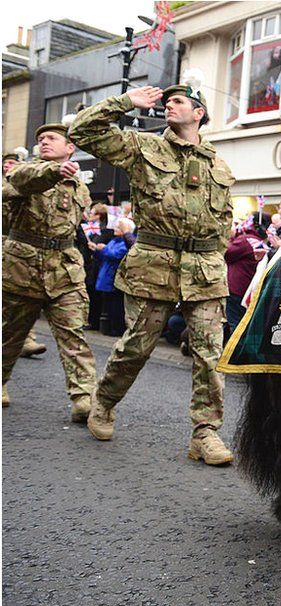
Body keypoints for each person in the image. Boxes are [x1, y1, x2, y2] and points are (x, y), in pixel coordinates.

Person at [69, 82, 236, 465]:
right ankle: (104, 402)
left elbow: (224, 222)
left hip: (205, 269)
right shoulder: (144, 146)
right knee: (137, 347)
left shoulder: (218, 163)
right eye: (167, 100)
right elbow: (82, 132)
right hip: (155, 261)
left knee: (210, 353)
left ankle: (205, 433)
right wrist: (126, 102)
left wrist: (215, 258)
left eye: (179, 101)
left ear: (199, 113)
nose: (169, 105)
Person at [1, 121, 98, 418]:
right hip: (23, 267)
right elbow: (23, 180)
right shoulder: (23, 171)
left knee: (74, 335)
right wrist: (54, 171)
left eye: (52, 138)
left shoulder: (79, 186)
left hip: (64, 271)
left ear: (70, 148)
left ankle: (85, 397)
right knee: (10, 334)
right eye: (41, 138)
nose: (44, 141)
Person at [2, 151, 49, 359]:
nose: (7, 166)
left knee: (20, 296)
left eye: (12, 163)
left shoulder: (25, 185)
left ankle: (27, 339)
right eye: (6, 163)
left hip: (15, 245)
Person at [225, 211, 269, 334]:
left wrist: (231, 237)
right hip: (247, 288)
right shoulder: (259, 241)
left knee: (235, 323)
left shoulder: (245, 240)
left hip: (236, 289)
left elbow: (226, 253)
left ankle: (235, 351)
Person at [94, 216, 136, 336]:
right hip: (106, 274)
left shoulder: (124, 243)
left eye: (119, 226)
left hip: (115, 276)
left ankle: (116, 328)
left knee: (116, 305)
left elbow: (117, 255)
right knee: (107, 304)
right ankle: (109, 326)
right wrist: (97, 250)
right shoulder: (113, 240)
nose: (116, 228)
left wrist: (104, 249)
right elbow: (105, 255)